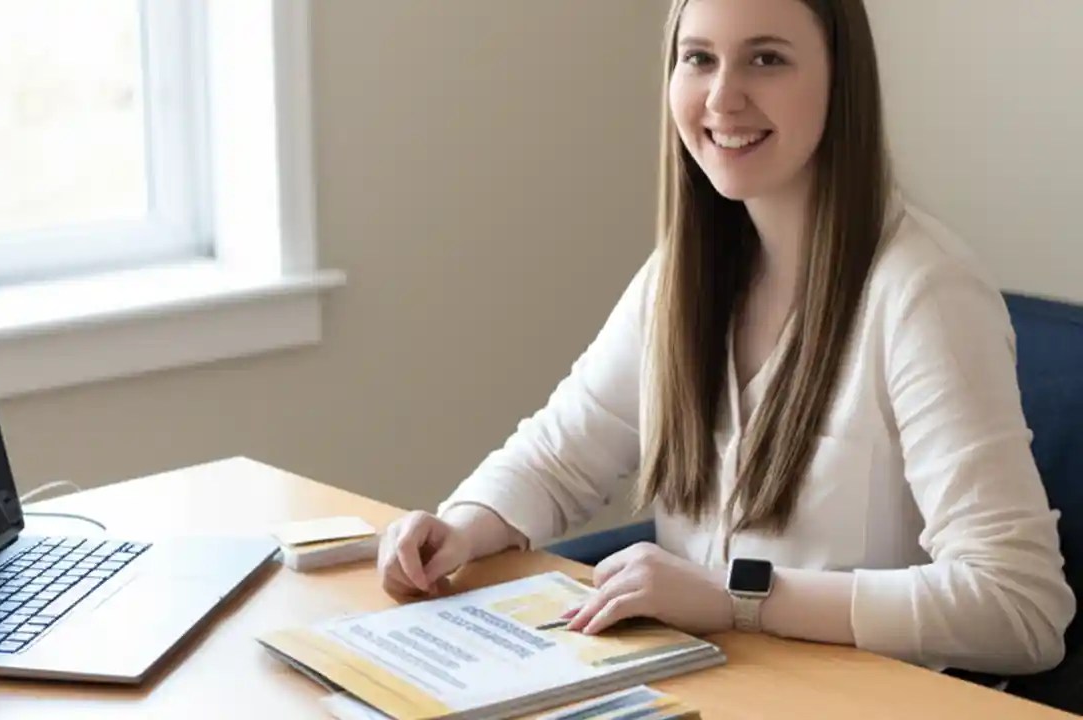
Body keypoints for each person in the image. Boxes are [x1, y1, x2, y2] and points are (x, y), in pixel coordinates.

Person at [376, 0, 1075, 676]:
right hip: (704, 687)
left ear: (842, 80)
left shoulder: (924, 293)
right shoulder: (681, 277)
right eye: (699, 59)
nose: (723, 97)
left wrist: (738, 596)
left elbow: (1019, 608)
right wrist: (461, 526)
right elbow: (560, 456)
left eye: (766, 59)